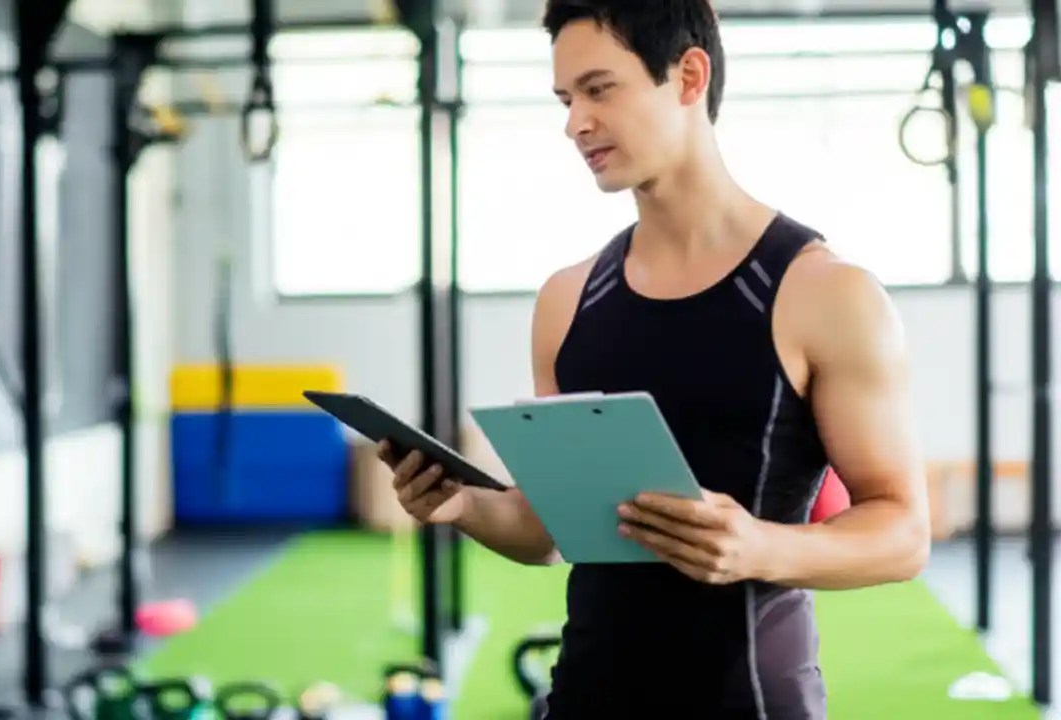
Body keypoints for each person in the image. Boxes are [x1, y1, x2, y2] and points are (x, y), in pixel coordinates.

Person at [378, 1, 931, 718]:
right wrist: (463, 504)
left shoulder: (826, 294)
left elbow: (903, 535)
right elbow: (549, 532)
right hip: (587, 697)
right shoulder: (566, 300)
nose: (576, 123)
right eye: (566, 99)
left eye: (599, 89)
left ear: (689, 76)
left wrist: (760, 548)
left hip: (751, 702)